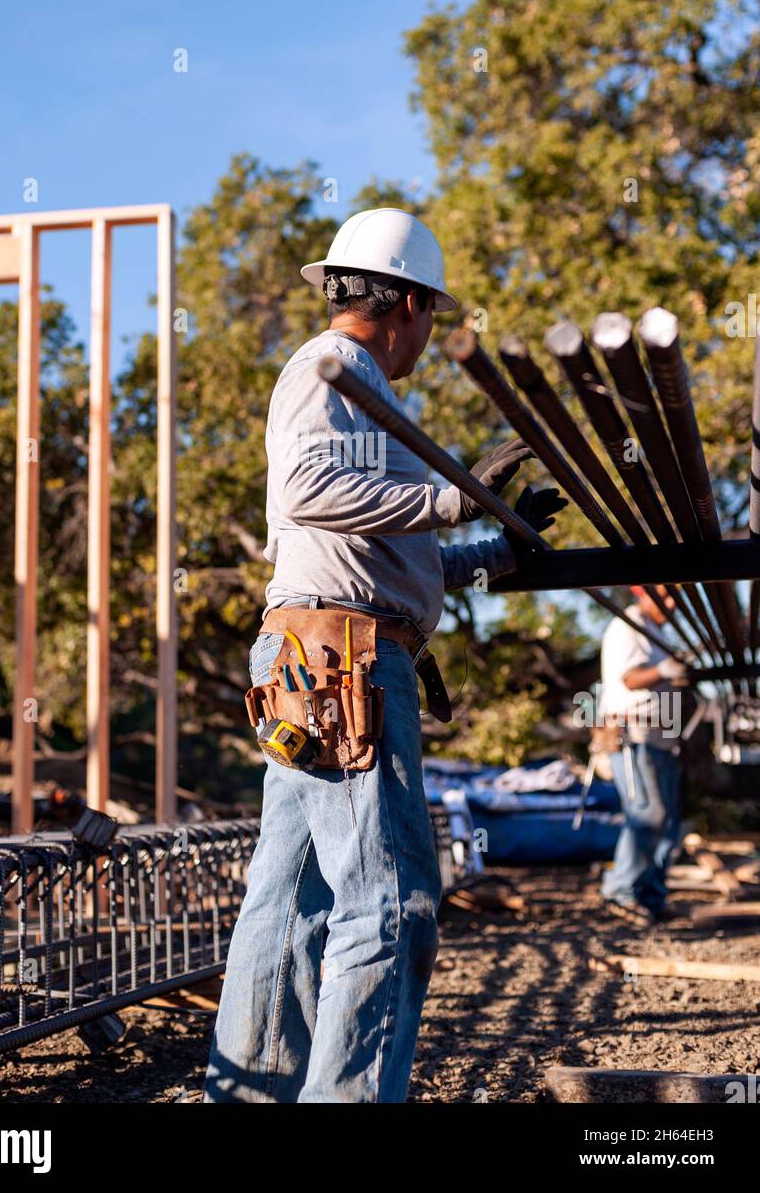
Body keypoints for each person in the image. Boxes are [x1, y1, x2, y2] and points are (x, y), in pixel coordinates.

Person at [202, 207, 564, 1103]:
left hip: (312, 660)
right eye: (431, 314)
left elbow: (392, 556)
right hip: (344, 665)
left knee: (291, 908)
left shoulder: (363, 395)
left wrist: (492, 548)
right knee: (391, 910)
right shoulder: (338, 371)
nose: (429, 333)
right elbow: (309, 489)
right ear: (405, 302)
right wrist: (451, 499)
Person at [598, 584, 689, 924]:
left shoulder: (655, 632)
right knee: (647, 814)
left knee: (667, 821)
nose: (671, 603)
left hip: (659, 736)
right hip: (632, 734)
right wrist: (665, 671)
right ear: (642, 593)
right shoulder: (630, 624)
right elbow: (630, 679)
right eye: (664, 595)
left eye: (674, 597)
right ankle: (620, 892)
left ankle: (650, 896)